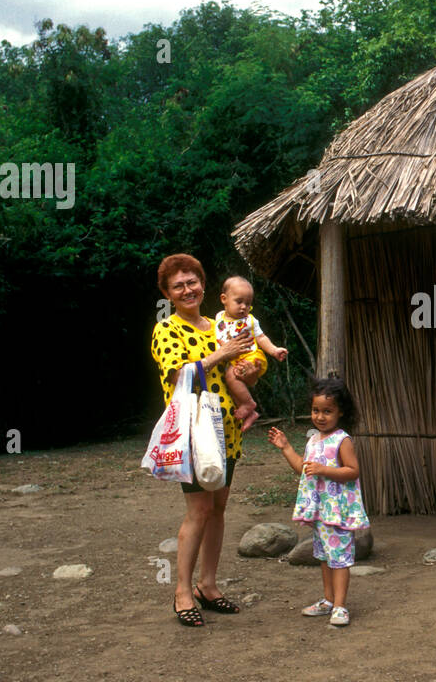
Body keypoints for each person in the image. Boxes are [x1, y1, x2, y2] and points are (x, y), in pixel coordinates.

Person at [151, 253, 254, 627]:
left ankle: (207, 585)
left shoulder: (220, 325)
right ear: (167, 293)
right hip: (194, 434)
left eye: (192, 281)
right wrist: (221, 354)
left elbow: (239, 375)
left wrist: (249, 368)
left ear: (203, 283)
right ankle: (182, 591)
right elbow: (178, 376)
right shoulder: (167, 330)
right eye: (177, 285)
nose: (187, 289)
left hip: (226, 430)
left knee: (219, 508)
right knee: (198, 510)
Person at [266, 377, 369, 627]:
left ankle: (341, 606)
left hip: (337, 511)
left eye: (327, 411)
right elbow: (303, 469)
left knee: (340, 558)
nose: (320, 417)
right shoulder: (314, 440)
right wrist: (286, 447)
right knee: (324, 556)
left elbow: (353, 471)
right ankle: (328, 600)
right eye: (315, 411)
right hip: (321, 511)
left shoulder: (342, 440)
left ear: (340, 412)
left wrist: (324, 470)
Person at [214, 276, 288, 430]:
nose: (243, 307)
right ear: (224, 299)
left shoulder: (250, 321)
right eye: (239, 301)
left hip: (251, 357)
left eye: (248, 303)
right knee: (232, 382)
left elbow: (261, 337)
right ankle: (250, 412)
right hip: (233, 360)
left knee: (230, 375)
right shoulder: (218, 318)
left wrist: (274, 350)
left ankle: (248, 404)